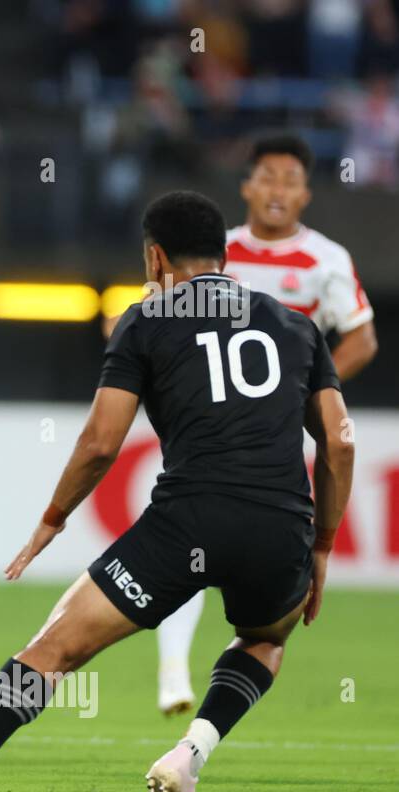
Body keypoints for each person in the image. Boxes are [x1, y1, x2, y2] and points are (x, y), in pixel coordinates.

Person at [0, 191, 353, 792]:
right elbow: (337, 440)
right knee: (263, 639)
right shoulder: (295, 325)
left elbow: (99, 442)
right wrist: (324, 542)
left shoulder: (145, 320)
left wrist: (51, 521)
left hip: (186, 520)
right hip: (281, 526)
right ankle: (190, 754)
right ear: (224, 256)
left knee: (54, 648)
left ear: (155, 255)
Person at [102, 132, 376, 717]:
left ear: (306, 193)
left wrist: (305, 395)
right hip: (201, 417)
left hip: (273, 429)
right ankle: (174, 669)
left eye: (291, 180)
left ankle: (193, 669)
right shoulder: (213, 251)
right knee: (189, 530)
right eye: (268, 177)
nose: (278, 189)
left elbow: (362, 338)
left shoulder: (326, 260)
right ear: (247, 186)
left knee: (209, 535)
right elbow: (156, 311)